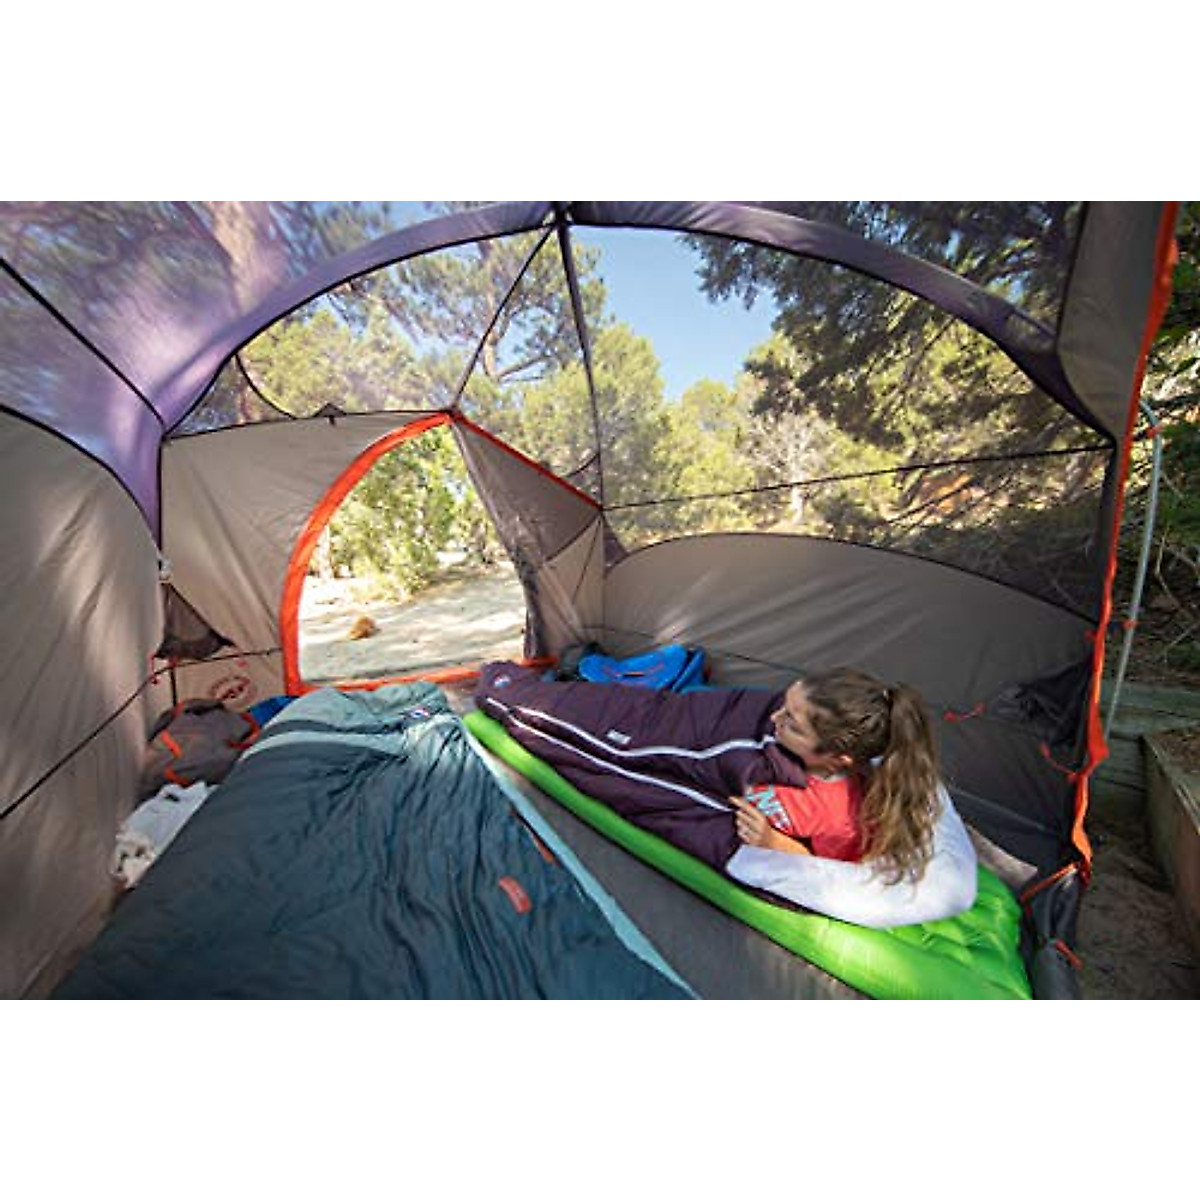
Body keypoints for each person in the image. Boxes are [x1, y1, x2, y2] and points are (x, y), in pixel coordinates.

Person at [730, 667, 942, 884]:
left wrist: (774, 841)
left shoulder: (840, 821)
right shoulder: (790, 732)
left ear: (837, 758)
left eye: (793, 725)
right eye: (784, 706)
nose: (774, 717)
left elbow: (829, 872)